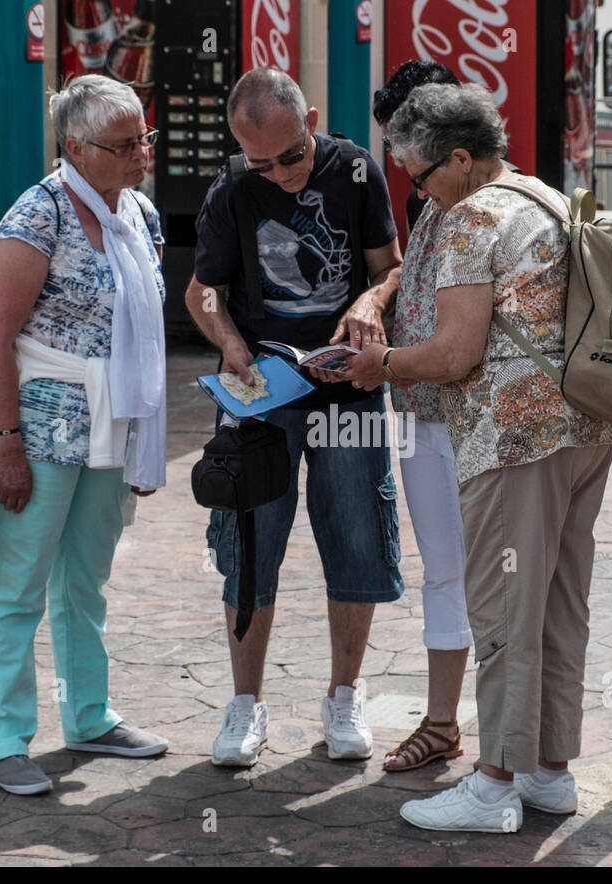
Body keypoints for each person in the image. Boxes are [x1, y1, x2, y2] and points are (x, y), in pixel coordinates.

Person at [344, 83, 612, 832]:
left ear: (460, 159)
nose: (416, 189)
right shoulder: (545, 196)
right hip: (586, 428)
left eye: (420, 174)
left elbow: (456, 353)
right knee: (560, 606)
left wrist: (381, 366)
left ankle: (494, 784)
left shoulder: (472, 216)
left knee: (502, 613)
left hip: (513, 437)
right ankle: (550, 772)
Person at [0, 74, 170, 795]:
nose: (143, 154)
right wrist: (6, 445)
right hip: (42, 423)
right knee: (16, 585)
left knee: (86, 580)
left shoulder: (138, 213)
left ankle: (90, 716)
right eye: (127, 144)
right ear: (75, 147)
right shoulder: (37, 218)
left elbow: (145, 332)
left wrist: (142, 436)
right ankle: (4, 740)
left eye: (145, 138)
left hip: (111, 421)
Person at [185, 67, 404, 767]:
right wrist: (229, 345)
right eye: (261, 163)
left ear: (310, 119)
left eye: (291, 155)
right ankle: (246, 705)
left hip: (349, 390)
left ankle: (345, 694)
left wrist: (371, 304)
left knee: (357, 539)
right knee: (250, 545)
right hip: (263, 398)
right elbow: (203, 293)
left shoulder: (359, 172)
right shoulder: (231, 187)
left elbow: (390, 268)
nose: (279, 175)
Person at [368, 60, 472, 773]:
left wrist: (380, 366)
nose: (400, 167)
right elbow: (416, 269)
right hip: (418, 413)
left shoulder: (491, 202)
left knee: (500, 577)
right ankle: (443, 723)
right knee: (443, 570)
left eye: (408, 152)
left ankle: (512, 745)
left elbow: (459, 348)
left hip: (473, 419)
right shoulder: (430, 197)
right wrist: (374, 299)